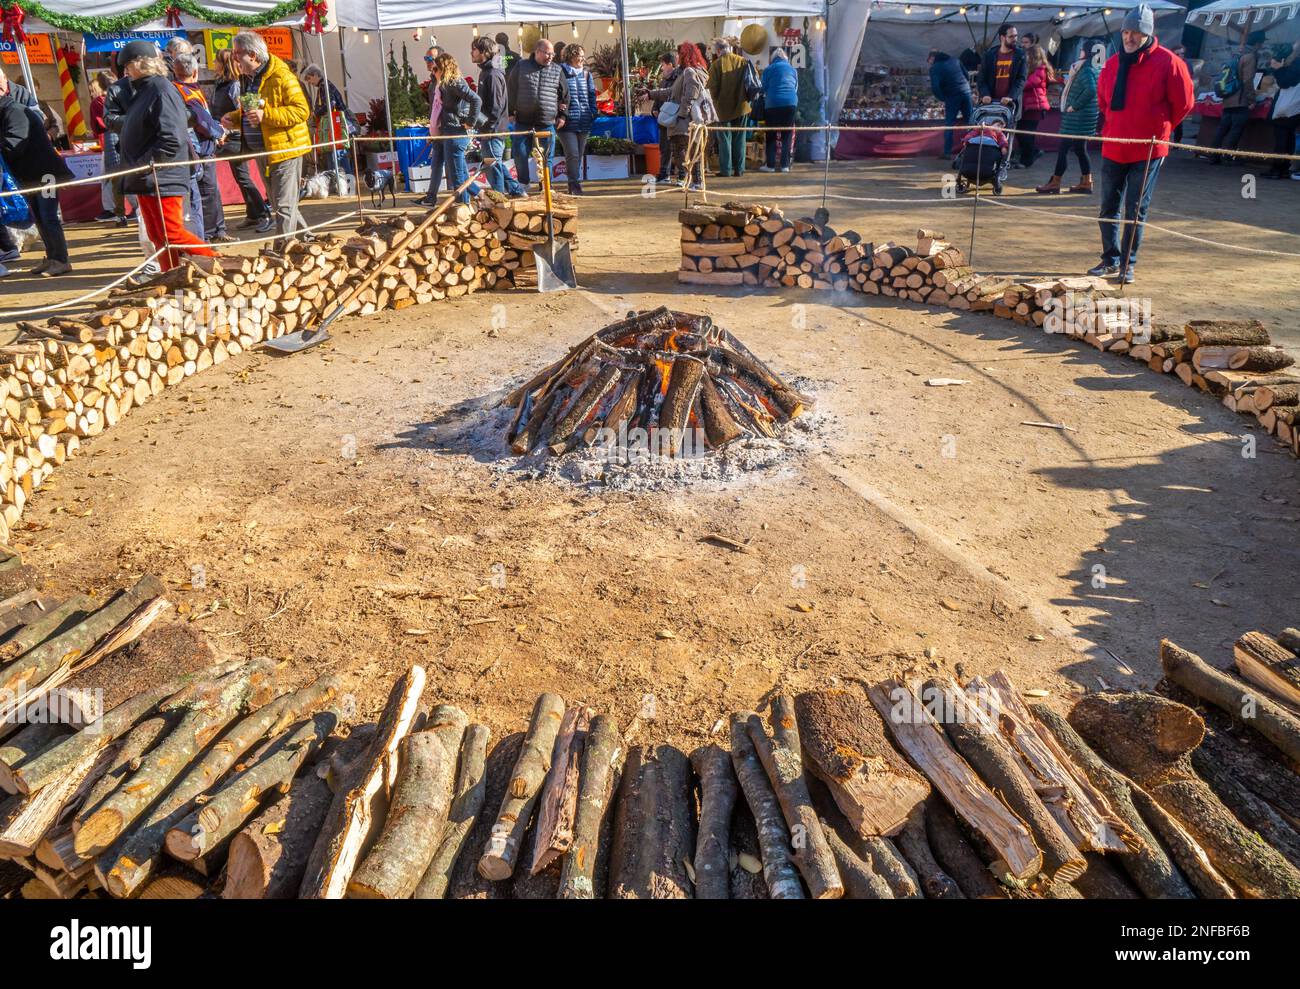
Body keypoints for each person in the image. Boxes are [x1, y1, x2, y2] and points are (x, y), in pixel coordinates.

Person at [1089, 4, 1193, 282]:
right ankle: (1109, 258)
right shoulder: (1111, 64)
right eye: (1126, 31)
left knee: (1136, 208)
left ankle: (1127, 263)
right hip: (1114, 145)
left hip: (1147, 148)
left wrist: (1159, 127)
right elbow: (1103, 101)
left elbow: (1183, 104)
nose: (1129, 38)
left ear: (1148, 33)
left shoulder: (1169, 62)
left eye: (1136, 32)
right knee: (1108, 206)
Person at [117, 41, 217, 272]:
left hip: (163, 175)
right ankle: (170, 276)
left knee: (172, 231)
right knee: (157, 234)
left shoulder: (161, 90)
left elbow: (172, 137)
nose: (126, 71)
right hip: (146, 176)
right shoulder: (144, 90)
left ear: (142, 64)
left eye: (129, 66)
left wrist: (149, 164)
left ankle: (220, 263)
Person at [221, 30, 311, 251]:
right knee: (281, 202)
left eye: (237, 53)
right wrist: (234, 118)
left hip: (286, 149)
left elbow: (302, 111)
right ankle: (307, 239)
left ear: (252, 55)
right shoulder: (248, 78)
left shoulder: (282, 76)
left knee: (283, 205)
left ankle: (282, 252)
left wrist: (266, 115)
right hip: (264, 150)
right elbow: (251, 109)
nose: (234, 58)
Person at [0, 85, 72, 275]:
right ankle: (52, 257)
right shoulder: (6, 112)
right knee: (40, 218)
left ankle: (61, 259)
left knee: (48, 217)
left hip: (45, 174)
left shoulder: (14, 111)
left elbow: (14, 144)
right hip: (31, 176)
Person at [173, 48, 232, 243]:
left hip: (200, 148)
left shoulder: (185, 89)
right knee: (205, 193)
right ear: (195, 72)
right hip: (199, 150)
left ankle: (215, 230)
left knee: (208, 192)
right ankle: (207, 235)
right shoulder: (184, 92)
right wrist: (219, 132)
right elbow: (202, 121)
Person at [210, 48, 272, 232]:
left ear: (224, 63)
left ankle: (262, 213)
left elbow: (243, 112)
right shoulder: (222, 83)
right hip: (225, 134)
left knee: (243, 177)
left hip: (234, 136)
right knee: (240, 176)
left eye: (217, 60)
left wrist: (227, 131)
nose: (214, 63)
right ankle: (254, 214)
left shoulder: (235, 86)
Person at [416, 52, 481, 207]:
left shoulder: (454, 83)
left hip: (456, 133)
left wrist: (470, 122)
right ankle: (480, 196)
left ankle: (463, 209)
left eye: (435, 69)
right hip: (449, 132)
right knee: (460, 174)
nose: (433, 72)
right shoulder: (444, 85)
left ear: (443, 68)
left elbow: (476, 100)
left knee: (458, 176)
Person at [506, 38, 568, 191]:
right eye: (548, 54)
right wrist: (510, 112)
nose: (551, 57)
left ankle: (545, 185)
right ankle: (523, 183)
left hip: (546, 121)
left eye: (553, 54)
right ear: (538, 52)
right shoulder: (521, 66)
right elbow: (511, 89)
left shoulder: (557, 69)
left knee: (547, 156)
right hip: (523, 120)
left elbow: (565, 94)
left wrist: (563, 115)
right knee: (520, 154)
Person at [649, 42, 711, 191]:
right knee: (689, 150)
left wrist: (682, 114)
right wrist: (651, 94)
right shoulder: (693, 70)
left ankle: (696, 181)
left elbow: (691, 93)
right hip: (690, 118)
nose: (677, 57)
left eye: (679, 54)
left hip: (687, 119)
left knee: (685, 150)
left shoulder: (689, 71)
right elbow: (672, 91)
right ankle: (695, 180)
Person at [1037, 46, 1098, 194]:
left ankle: (1055, 182)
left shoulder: (1085, 70)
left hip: (1077, 119)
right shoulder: (1088, 68)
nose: (1080, 51)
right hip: (1082, 118)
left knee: (1063, 148)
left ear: (1087, 52)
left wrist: (1075, 106)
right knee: (1079, 149)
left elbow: (1091, 90)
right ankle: (1086, 182)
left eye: (1083, 49)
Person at [471, 37, 526, 198]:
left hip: (493, 130)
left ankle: (499, 199)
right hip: (490, 129)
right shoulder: (486, 72)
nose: (471, 53)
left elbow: (496, 106)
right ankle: (517, 191)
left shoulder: (493, 74)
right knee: (496, 163)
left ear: (484, 52)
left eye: (474, 49)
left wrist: (485, 126)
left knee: (492, 166)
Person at [1208, 32, 1263, 162]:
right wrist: (1251, 99)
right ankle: (1228, 155)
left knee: (1222, 128)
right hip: (1240, 99)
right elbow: (1248, 80)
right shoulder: (1250, 57)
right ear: (1257, 43)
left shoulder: (1237, 54)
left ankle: (1213, 154)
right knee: (1236, 129)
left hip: (1228, 96)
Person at [707, 38, 750, 178]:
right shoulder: (743, 61)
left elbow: (712, 88)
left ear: (718, 50)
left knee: (725, 140)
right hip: (742, 106)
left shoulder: (716, 65)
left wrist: (715, 102)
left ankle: (726, 170)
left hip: (723, 108)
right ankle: (740, 169)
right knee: (740, 138)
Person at [558, 45, 597, 195]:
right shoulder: (561, 72)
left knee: (579, 154)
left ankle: (574, 181)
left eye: (582, 55)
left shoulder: (587, 74)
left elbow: (592, 95)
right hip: (567, 121)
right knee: (572, 153)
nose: (582, 59)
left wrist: (593, 112)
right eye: (579, 56)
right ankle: (574, 184)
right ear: (571, 56)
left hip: (584, 119)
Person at [90, 71, 124, 223]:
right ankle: (136, 209)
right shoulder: (124, 94)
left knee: (113, 178)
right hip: (128, 135)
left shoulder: (99, 101)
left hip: (110, 137)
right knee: (131, 173)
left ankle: (118, 212)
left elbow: (98, 126)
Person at [1264, 45, 1300, 180]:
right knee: (1289, 137)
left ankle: (1277, 168)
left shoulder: (1297, 62)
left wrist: (1278, 69)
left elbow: (1285, 82)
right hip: (1295, 107)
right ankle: (1284, 168)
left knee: (1282, 137)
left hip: (1290, 107)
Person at [928, 48, 972, 159]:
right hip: (966, 92)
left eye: (929, 61)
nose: (929, 63)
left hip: (952, 96)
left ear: (933, 58)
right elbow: (966, 75)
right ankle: (973, 149)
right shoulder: (955, 60)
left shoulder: (935, 68)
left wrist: (942, 98)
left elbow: (935, 87)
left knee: (949, 124)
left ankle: (947, 152)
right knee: (971, 122)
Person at [978, 23, 1027, 120]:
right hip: (991, 105)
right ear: (1002, 37)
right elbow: (981, 78)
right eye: (1011, 36)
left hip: (1010, 105)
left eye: (1016, 36)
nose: (1015, 39)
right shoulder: (989, 55)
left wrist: (1011, 96)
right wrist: (985, 94)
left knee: (1008, 133)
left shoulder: (1020, 55)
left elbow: (1021, 79)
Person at [759, 48, 798, 172]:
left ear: (773, 58)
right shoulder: (793, 70)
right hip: (790, 104)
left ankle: (770, 165)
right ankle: (785, 166)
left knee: (771, 134)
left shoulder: (769, 69)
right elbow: (795, 87)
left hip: (772, 104)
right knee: (787, 135)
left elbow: (763, 87)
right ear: (785, 58)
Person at [1017, 45, 1055, 167]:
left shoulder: (1040, 69)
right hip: (1029, 106)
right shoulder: (1033, 69)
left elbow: (1028, 84)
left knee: (1026, 134)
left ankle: (1027, 160)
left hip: (1035, 107)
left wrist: (1015, 84)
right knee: (1023, 133)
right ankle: (1034, 152)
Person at [652, 51, 679, 181]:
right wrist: (654, 110)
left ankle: (681, 176)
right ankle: (664, 173)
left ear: (670, 64)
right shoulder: (663, 80)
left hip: (675, 119)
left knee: (678, 149)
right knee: (664, 148)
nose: (661, 67)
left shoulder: (679, 79)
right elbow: (658, 99)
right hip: (663, 120)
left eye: (663, 64)